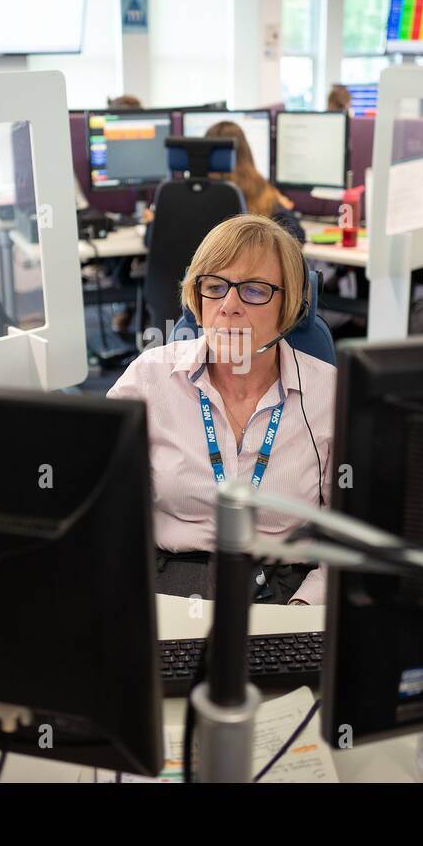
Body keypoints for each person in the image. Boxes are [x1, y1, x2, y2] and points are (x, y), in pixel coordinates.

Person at [108, 214, 333, 605]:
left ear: (291, 306)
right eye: (215, 287)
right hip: (172, 579)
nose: (229, 306)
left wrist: (304, 609)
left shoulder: (328, 393)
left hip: (285, 585)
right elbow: (106, 509)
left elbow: (352, 533)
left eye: (255, 291)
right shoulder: (149, 379)